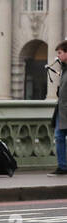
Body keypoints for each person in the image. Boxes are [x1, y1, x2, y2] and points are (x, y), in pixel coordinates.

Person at [51, 40, 67, 177]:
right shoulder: (63, 69)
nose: (58, 56)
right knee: (59, 137)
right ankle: (62, 166)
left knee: (60, 136)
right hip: (61, 111)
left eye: (60, 53)